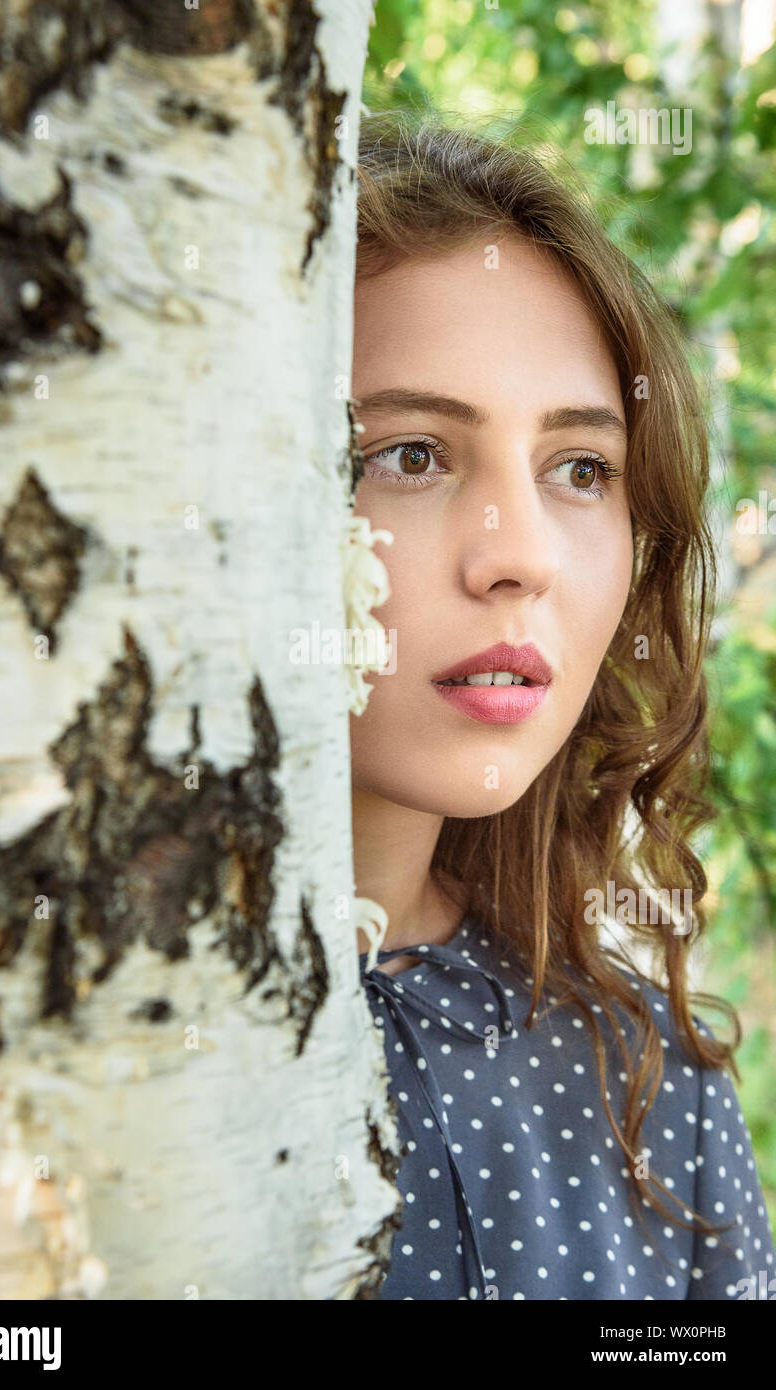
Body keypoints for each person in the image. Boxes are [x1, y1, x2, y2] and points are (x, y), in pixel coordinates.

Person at [349, 107, 775, 1301]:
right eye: (411, 455)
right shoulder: (23, 1045)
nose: (516, 556)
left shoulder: (650, 1082)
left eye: (578, 469)